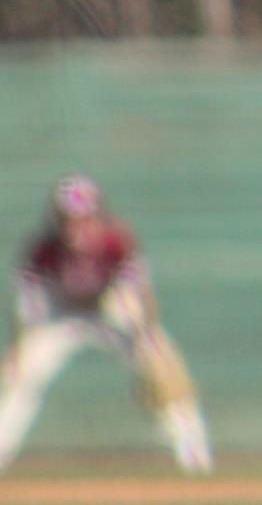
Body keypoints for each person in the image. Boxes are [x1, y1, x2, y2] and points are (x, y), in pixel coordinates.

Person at [0, 175, 213, 475]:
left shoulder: (116, 240)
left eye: (84, 218)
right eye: (69, 220)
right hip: (62, 313)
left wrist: (147, 336)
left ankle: (193, 453)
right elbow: (28, 308)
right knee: (19, 375)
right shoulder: (42, 250)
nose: (77, 227)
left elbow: (140, 294)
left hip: (108, 309)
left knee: (160, 363)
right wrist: (18, 349)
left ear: (98, 214)